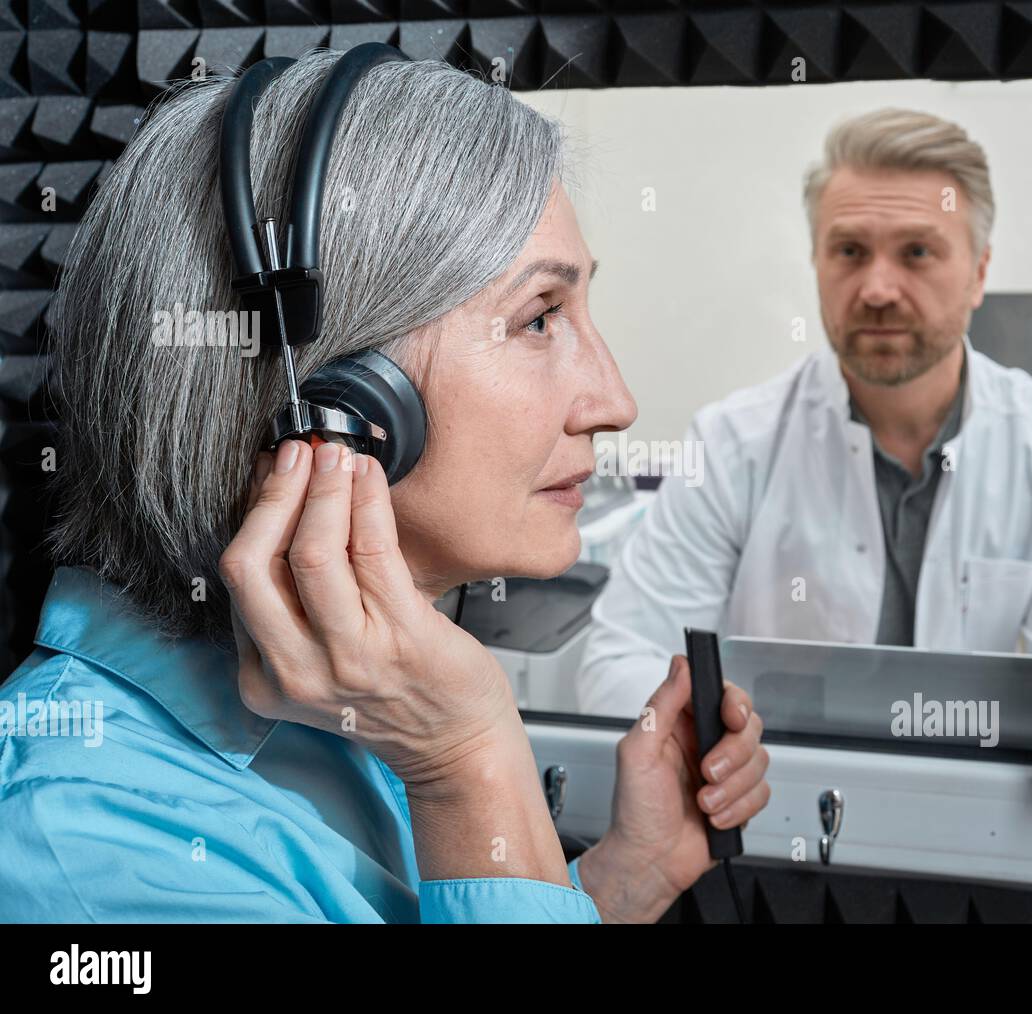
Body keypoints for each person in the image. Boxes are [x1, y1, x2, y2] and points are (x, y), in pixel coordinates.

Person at [0, 49, 770, 923]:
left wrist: (623, 882)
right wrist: (473, 769)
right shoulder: (92, 842)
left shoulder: (355, 702)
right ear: (332, 404)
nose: (614, 401)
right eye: (540, 319)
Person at [577, 108, 1032, 719]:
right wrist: (721, 740)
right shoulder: (733, 444)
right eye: (850, 251)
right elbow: (621, 659)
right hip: (779, 803)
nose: (878, 289)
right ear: (817, 261)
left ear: (979, 273)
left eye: (917, 252)